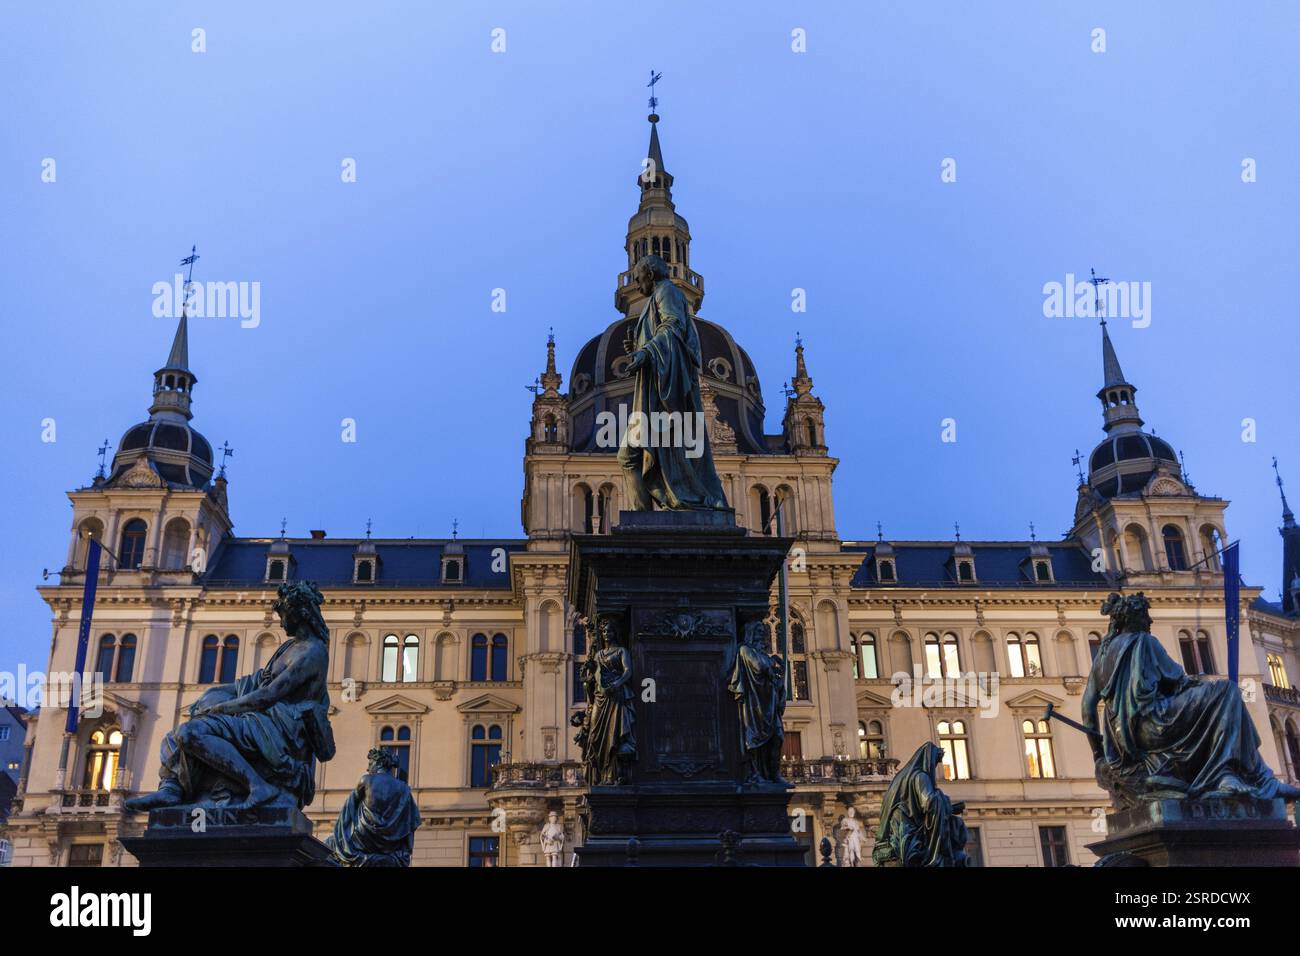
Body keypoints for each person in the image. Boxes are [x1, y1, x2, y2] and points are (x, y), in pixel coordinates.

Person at [125, 581, 335, 812]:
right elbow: (256, 682)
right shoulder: (289, 647)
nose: (282, 622)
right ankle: (171, 790)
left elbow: (268, 694)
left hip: (281, 726)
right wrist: (214, 696)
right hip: (262, 717)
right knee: (174, 735)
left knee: (191, 732)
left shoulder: (313, 652)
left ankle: (257, 786)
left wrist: (222, 708)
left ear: (300, 613)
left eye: (284, 615)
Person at [1083, 591, 1300, 806]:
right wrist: (1207, 688)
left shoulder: (1100, 659)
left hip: (1128, 739)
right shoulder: (1144, 641)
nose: (1149, 620)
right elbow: (1180, 681)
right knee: (1226, 692)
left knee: (1217, 702)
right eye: (1145, 615)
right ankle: (1246, 777)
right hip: (1156, 725)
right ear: (1133, 618)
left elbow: (1087, 710)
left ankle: (1238, 777)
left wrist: (1099, 756)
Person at [617, 254, 728, 511]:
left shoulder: (667, 292)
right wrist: (639, 346)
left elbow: (672, 326)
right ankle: (645, 523)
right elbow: (666, 332)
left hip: (664, 394)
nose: (636, 282)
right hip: (655, 390)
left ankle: (646, 519)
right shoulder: (656, 299)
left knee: (631, 456)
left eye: (639, 276)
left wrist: (645, 352)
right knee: (631, 456)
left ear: (651, 274)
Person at [872, 742, 971, 867]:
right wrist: (944, 801)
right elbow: (929, 802)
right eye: (934, 762)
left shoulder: (903, 776)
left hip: (899, 826)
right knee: (954, 825)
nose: (934, 767)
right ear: (928, 760)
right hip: (909, 830)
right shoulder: (921, 776)